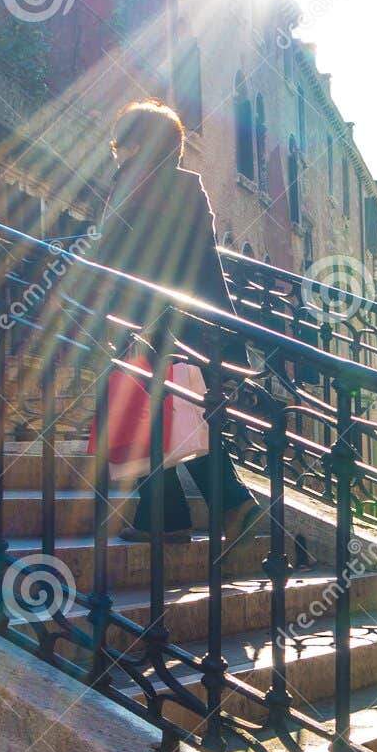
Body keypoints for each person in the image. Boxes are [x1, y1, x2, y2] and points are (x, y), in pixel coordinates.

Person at [85, 100, 261, 545]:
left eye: (121, 145)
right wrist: (230, 333)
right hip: (186, 325)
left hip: (142, 323)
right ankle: (210, 505)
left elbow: (110, 259)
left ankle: (170, 516)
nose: (116, 154)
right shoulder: (188, 188)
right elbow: (206, 264)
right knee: (178, 414)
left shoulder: (130, 185)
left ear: (138, 144)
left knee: (150, 415)